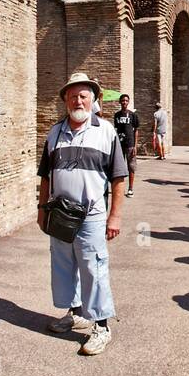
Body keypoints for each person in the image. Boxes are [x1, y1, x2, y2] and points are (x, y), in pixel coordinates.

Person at [39, 73, 127, 356]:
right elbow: (44, 177)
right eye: (73, 96)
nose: (78, 101)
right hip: (60, 214)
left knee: (94, 268)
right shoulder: (54, 133)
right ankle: (75, 312)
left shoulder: (106, 131)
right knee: (64, 266)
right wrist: (41, 211)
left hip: (91, 216)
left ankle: (101, 326)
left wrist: (115, 217)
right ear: (66, 100)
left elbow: (118, 178)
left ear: (93, 100)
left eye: (83, 96)